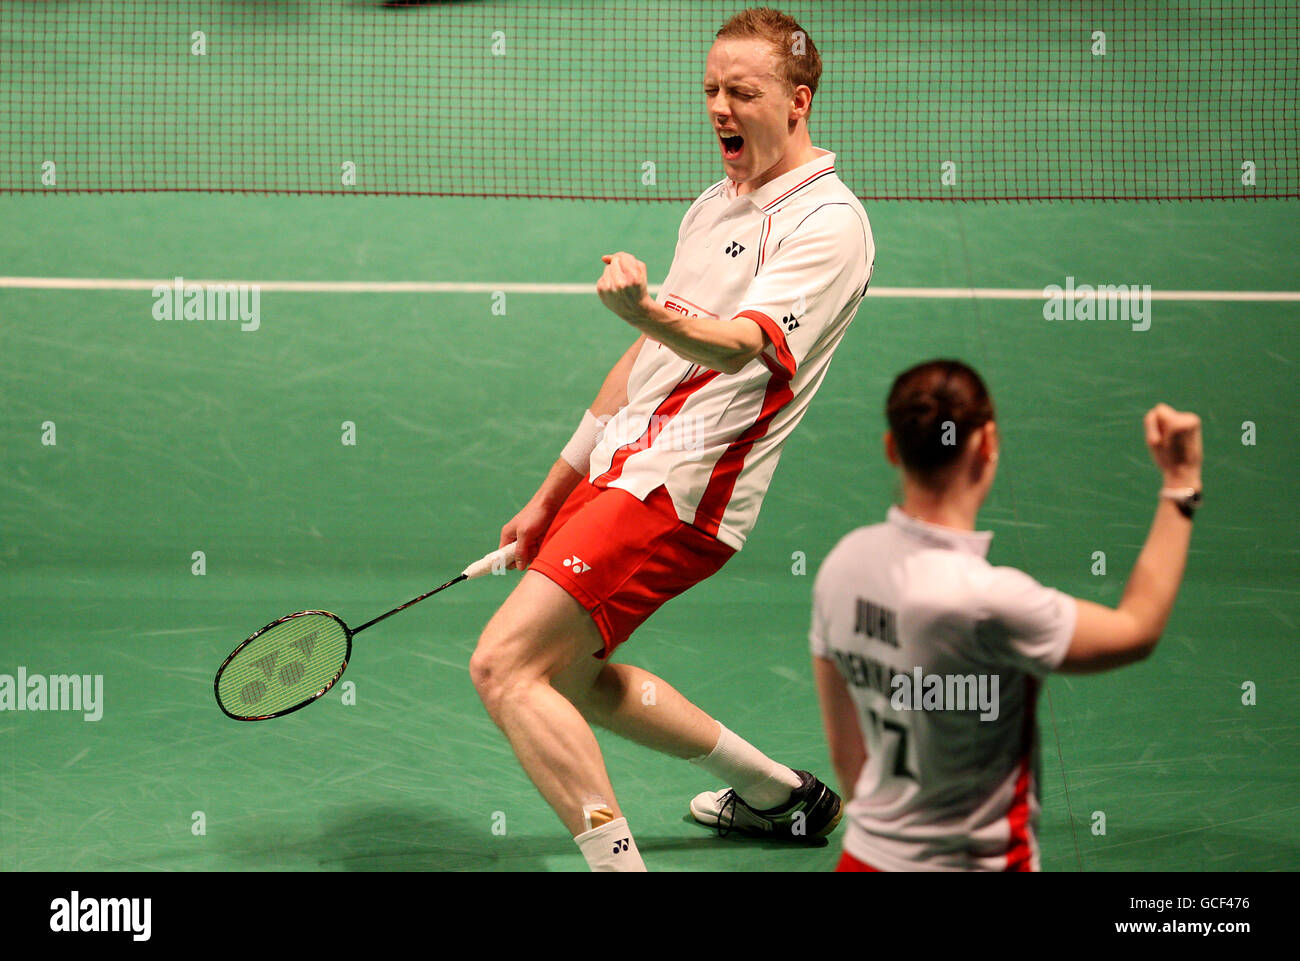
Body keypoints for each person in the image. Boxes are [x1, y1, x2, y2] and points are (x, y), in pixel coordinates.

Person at [469, 7, 875, 870]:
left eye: (744, 92)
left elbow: (743, 347)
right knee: (568, 673)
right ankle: (783, 798)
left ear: (798, 101)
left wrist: (648, 308)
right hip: (627, 467)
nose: (721, 108)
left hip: (686, 487)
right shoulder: (715, 203)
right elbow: (645, 358)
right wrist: (552, 489)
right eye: (711, 90)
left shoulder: (828, 224)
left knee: (504, 668)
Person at [810, 359, 1204, 871]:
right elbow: (1137, 629)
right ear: (987, 445)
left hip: (865, 858)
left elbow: (848, 757)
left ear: (892, 448)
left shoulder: (842, 564)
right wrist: (1181, 481)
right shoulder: (989, 601)